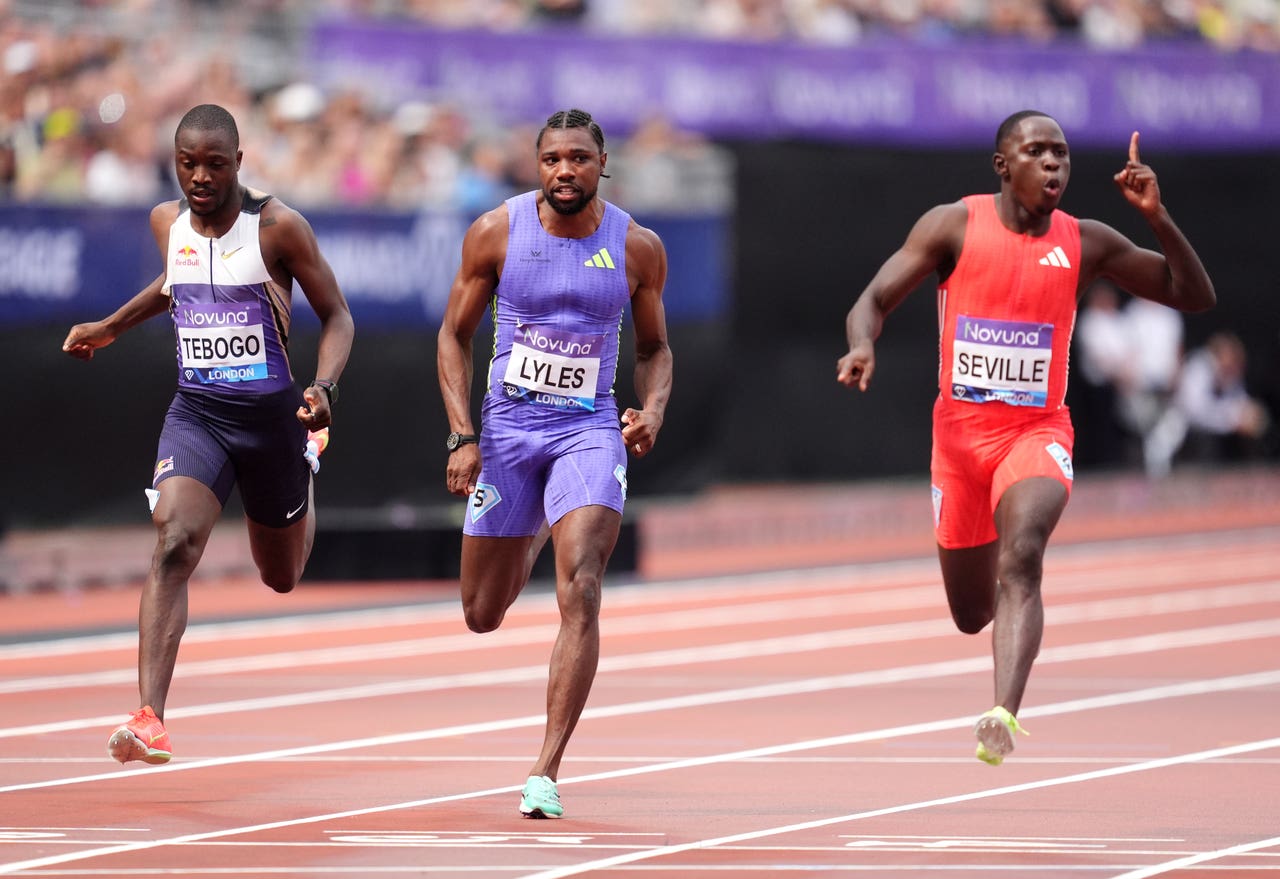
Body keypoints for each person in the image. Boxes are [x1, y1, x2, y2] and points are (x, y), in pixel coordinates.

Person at [836, 110, 1214, 765]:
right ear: (1002, 165)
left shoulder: (1086, 241)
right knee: (970, 610)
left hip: (1035, 432)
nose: (1053, 165)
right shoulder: (953, 224)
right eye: (1037, 152)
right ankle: (998, 648)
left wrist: (1156, 214)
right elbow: (870, 298)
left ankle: (1002, 710)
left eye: (1062, 154)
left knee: (1023, 556)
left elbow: (1193, 294)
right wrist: (862, 345)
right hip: (958, 442)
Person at [62, 103, 354, 765]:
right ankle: (150, 717)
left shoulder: (279, 228)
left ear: (239, 163)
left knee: (279, 575)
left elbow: (338, 316)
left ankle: (306, 464)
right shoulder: (166, 221)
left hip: (272, 422)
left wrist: (324, 389)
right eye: (187, 163)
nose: (199, 176)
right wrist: (110, 326)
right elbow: (176, 284)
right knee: (174, 541)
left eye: (214, 164)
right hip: (198, 415)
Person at [437, 108, 672, 817]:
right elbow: (453, 336)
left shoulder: (636, 246)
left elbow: (655, 349)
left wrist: (652, 409)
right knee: (482, 611)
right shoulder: (497, 231)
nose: (563, 170)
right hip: (509, 432)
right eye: (550, 160)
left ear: (602, 164)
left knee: (584, 587)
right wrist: (462, 435)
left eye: (577, 158)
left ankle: (545, 768)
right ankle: (534, 520)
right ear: (535, 166)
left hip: (589, 430)